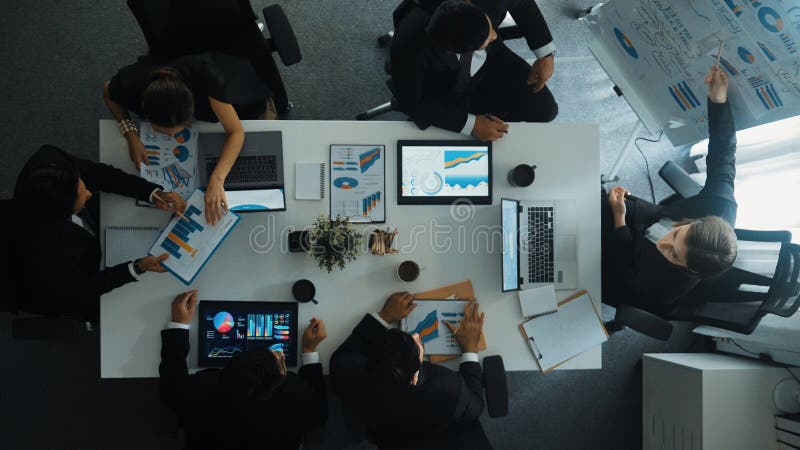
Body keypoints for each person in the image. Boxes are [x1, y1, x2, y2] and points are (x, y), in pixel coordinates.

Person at [602, 66, 738, 314]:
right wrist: (717, 101)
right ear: (700, 221)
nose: (663, 243)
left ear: (690, 270)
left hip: (618, 258)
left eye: (674, 254)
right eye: (676, 235)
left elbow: (623, 270)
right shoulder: (720, 205)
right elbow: (723, 155)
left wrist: (619, 220)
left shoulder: (668, 287)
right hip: (643, 220)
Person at [11, 144, 185, 321]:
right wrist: (137, 267)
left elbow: (102, 175)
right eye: (81, 197)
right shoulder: (47, 255)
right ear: (63, 214)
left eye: (82, 185)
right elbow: (83, 291)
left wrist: (152, 193)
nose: (88, 193)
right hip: (68, 280)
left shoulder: (49, 161)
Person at [103, 50, 273, 224]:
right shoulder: (132, 83)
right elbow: (107, 91)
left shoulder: (210, 82)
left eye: (178, 130)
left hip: (235, 84)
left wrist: (217, 179)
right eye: (162, 132)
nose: (171, 138)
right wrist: (131, 134)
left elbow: (236, 132)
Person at [159, 291, 329, 450]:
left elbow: (172, 380)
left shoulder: (199, 389)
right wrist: (309, 348)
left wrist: (178, 324)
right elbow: (319, 412)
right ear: (282, 376)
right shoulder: (298, 396)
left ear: (226, 368)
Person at [330, 292, 489, 449]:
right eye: (416, 345)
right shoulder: (448, 388)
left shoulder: (348, 372)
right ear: (414, 378)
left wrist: (385, 315)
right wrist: (470, 348)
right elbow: (476, 406)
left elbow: (344, 355)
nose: (416, 335)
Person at [390, 0, 558, 142]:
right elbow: (411, 100)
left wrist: (545, 54)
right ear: (452, 49)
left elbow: (523, 4)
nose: (494, 36)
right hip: (439, 87)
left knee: (545, 111)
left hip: (493, 60)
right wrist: (470, 125)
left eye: (489, 26)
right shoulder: (409, 46)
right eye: (485, 38)